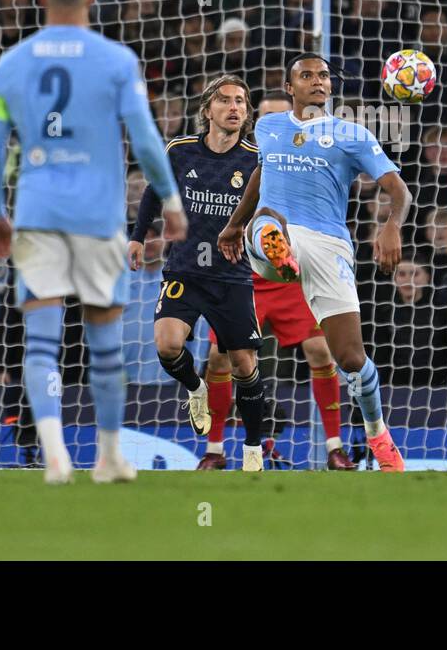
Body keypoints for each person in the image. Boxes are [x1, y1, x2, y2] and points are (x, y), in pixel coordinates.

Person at [0, 0, 186, 485]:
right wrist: (170, 201)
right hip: (98, 218)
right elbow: (143, 139)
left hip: (37, 214)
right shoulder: (117, 60)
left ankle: (54, 454)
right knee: (105, 343)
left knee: (41, 344)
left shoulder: (10, 64)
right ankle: (109, 456)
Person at [216, 54, 411, 471]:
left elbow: (399, 189)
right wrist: (235, 225)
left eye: (323, 75)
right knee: (269, 219)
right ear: (290, 87)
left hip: (328, 245)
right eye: (306, 75)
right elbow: (259, 175)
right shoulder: (268, 126)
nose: (318, 81)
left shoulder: (351, 134)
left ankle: (379, 436)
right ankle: (274, 249)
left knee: (351, 358)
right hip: (278, 235)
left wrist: (392, 227)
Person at [194, 91, 354, 470]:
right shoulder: (240, 160)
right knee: (220, 360)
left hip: (290, 276)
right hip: (243, 276)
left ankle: (334, 448)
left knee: (321, 351)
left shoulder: (309, 162)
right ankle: (214, 450)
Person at [126, 75, 272, 471]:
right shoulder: (180, 150)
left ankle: (253, 449)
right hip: (186, 269)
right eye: (225, 100)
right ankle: (196, 388)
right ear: (207, 110)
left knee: (244, 365)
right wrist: (138, 237)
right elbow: (155, 191)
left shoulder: (256, 159)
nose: (234, 107)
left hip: (232, 275)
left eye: (241, 101)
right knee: (167, 344)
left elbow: (270, 209)